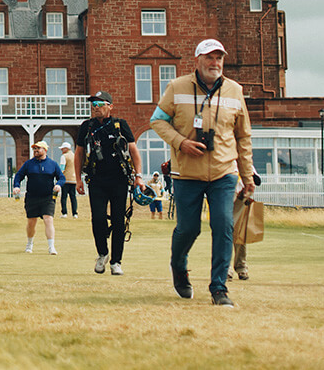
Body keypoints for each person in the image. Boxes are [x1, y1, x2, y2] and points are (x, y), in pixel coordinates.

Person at [151, 38, 255, 307]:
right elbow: (157, 121)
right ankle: (178, 266)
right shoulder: (177, 87)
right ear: (197, 60)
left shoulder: (235, 90)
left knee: (223, 225)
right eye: (209, 57)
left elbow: (243, 137)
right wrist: (181, 142)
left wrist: (247, 178)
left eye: (219, 57)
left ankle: (219, 287)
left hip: (223, 172)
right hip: (187, 174)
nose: (215, 62)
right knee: (189, 229)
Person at [75, 90, 144, 276]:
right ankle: (102, 253)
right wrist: (78, 179)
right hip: (96, 179)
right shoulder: (86, 126)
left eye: (99, 104)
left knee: (118, 221)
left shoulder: (120, 125)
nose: (95, 108)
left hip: (119, 179)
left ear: (110, 106)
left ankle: (116, 262)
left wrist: (139, 176)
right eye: (93, 105)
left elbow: (134, 151)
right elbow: (79, 153)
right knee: (97, 218)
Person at [13, 141, 65, 255]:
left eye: (38, 149)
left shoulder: (52, 164)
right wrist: (16, 186)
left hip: (48, 197)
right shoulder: (28, 164)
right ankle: (29, 244)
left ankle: (51, 247)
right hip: (32, 197)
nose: (36, 151)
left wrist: (58, 185)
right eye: (34, 149)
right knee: (32, 222)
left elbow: (61, 177)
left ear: (45, 150)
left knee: (48, 219)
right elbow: (18, 176)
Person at [230, 169, 261, 281]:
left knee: (240, 236)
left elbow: (257, 180)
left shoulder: (245, 163)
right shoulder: (224, 159)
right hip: (226, 196)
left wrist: (250, 176)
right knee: (225, 234)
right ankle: (226, 269)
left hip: (242, 196)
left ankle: (241, 267)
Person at [58, 141, 77, 218]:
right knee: (73, 197)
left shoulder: (64, 156)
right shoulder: (75, 155)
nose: (61, 150)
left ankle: (64, 213)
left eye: (62, 148)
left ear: (66, 149)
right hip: (74, 179)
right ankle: (75, 213)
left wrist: (59, 176)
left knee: (64, 197)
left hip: (66, 180)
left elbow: (62, 168)